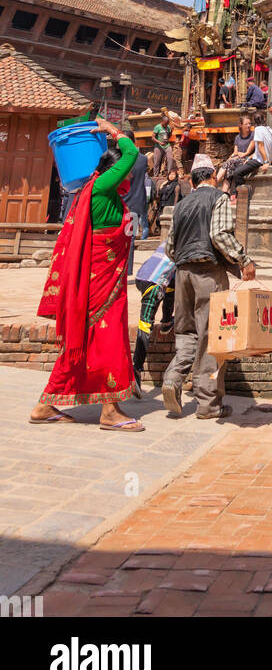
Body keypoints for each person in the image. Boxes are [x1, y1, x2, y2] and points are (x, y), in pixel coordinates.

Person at [30, 118, 144, 431]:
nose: (131, 175)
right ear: (115, 169)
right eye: (127, 171)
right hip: (101, 284)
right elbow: (132, 153)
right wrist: (112, 130)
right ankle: (109, 411)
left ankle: (46, 405)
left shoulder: (92, 189)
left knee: (84, 341)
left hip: (97, 280)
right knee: (106, 338)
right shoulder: (105, 185)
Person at [162, 153, 256, 419]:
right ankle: (208, 405)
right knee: (211, 336)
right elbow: (219, 234)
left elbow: (170, 247)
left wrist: (184, 261)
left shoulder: (181, 206)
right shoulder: (220, 198)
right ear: (213, 178)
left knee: (186, 332)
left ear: (192, 181)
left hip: (182, 273)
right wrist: (243, 258)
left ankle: (173, 377)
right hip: (208, 273)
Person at [132, 240, 175, 393]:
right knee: (145, 325)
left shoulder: (169, 239)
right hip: (153, 282)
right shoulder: (185, 241)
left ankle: (166, 321)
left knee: (173, 283)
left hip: (142, 276)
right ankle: (136, 369)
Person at [232, 111, 272, 188]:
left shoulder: (258, 129)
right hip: (263, 158)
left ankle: (243, 192)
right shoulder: (270, 130)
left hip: (260, 161)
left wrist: (266, 162)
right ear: (264, 119)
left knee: (237, 173)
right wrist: (249, 157)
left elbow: (260, 146)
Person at [125, 144, 150, 273]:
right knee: (131, 237)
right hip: (136, 202)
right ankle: (128, 269)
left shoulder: (121, 158)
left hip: (123, 202)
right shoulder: (143, 158)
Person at [217, 113, 255, 192]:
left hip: (247, 159)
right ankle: (224, 193)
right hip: (236, 159)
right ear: (241, 125)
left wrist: (239, 155)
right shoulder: (238, 137)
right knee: (228, 166)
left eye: (249, 124)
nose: (248, 125)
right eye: (246, 124)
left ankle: (214, 183)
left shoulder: (253, 135)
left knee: (230, 163)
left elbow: (248, 152)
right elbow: (235, 152)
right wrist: (231, 158)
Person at [151, 110, 175, 179]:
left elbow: (169, 135)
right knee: (157, 161)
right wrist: (159, 142)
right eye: (165, 124)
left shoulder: (168, 127)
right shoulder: (157, 127)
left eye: (167, 124)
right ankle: (155, 175)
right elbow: (152, 137)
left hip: (167, 145)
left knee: (170, 158)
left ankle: (169, 174)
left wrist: (172, 131)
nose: (166, 125)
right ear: (163, 122)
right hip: (159, 146)